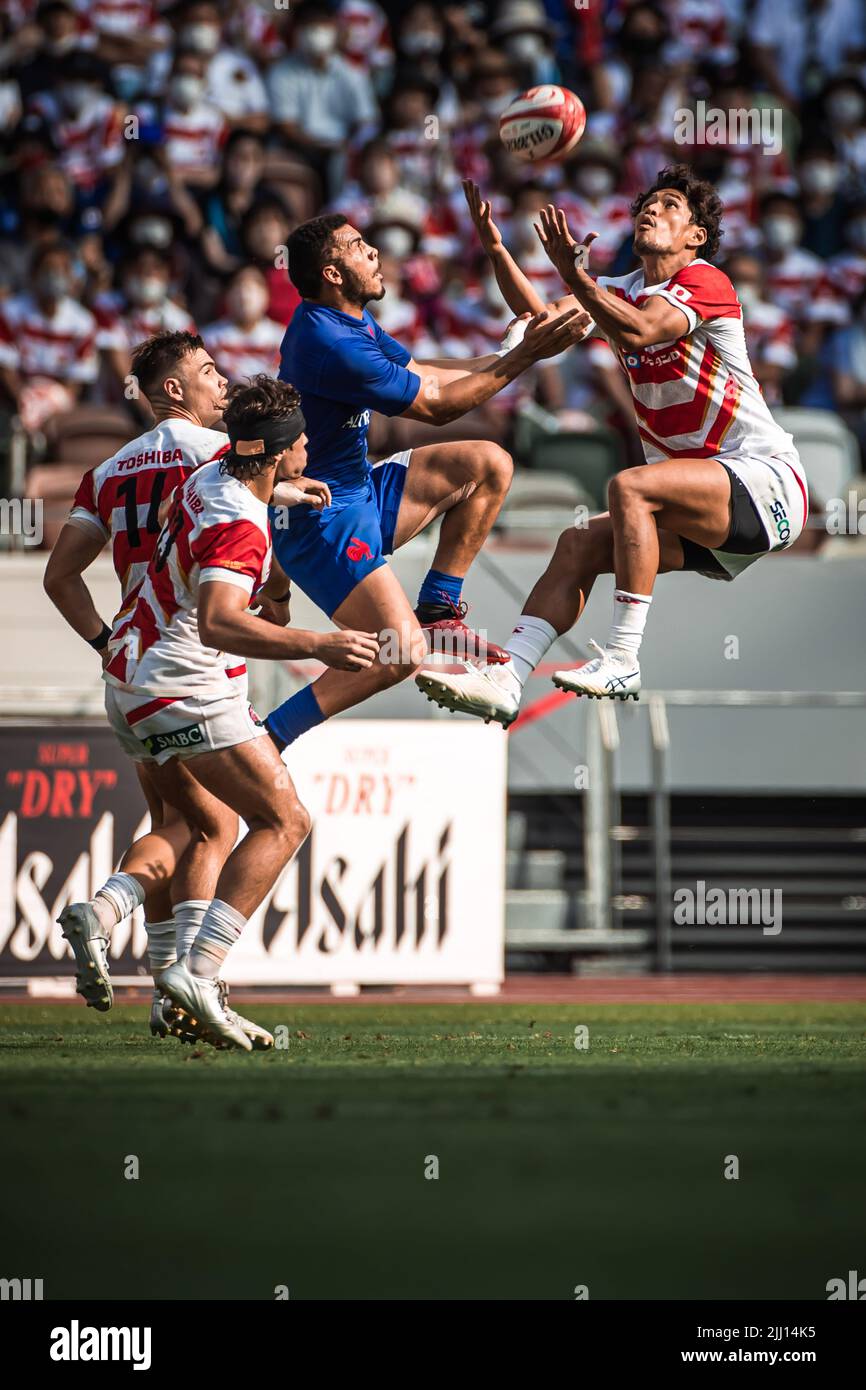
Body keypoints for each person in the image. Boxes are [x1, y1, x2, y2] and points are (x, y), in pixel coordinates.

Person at [417, 166, 808, 723]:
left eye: (670, 205)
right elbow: (543, 321)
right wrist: (497, 250)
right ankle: (508, 680)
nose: (652, 209)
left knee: (631, 486)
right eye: (648, 202)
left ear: (696, 235)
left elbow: (641, 331)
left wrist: (578, 279)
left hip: (764, 479)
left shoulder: (706, 281)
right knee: (578, 543)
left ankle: (623, 657)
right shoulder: (622, 289)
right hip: (706, 504)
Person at [102, 376, 380, 1049]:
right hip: (181, 685)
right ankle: (198, 973)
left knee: (198, 826)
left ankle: (162, 966)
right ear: (280, 451)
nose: (312, 443)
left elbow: (235, 477)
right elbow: (221, 622)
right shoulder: (238, 525)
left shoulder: (212, 474)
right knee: (283, 819)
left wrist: (279, 491)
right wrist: (321, 642)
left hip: (131, 678)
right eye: (303, 439)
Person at [264, 212, 589, 750]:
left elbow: (423, 371)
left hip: (360, 490)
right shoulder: (329, 342)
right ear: (333, 273)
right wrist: (528, 355)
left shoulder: (348, 320)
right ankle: (272, 734)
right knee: (400, 653)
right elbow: (435, 406)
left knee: (488, 463)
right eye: (359, 246)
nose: (374, 252)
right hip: (321, 520)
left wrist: (511, 352)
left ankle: (438, 607)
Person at [44, 331, 240, 1037]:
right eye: (208, 371)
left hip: (130, 664)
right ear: (172, 391)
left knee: (175, 824)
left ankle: (165, 996)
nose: (224, 381)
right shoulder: (216, 456)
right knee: (218, 825)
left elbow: (58, 576)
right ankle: (127, 929)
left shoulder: (106, 470)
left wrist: (104, 641)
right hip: (196, 657)